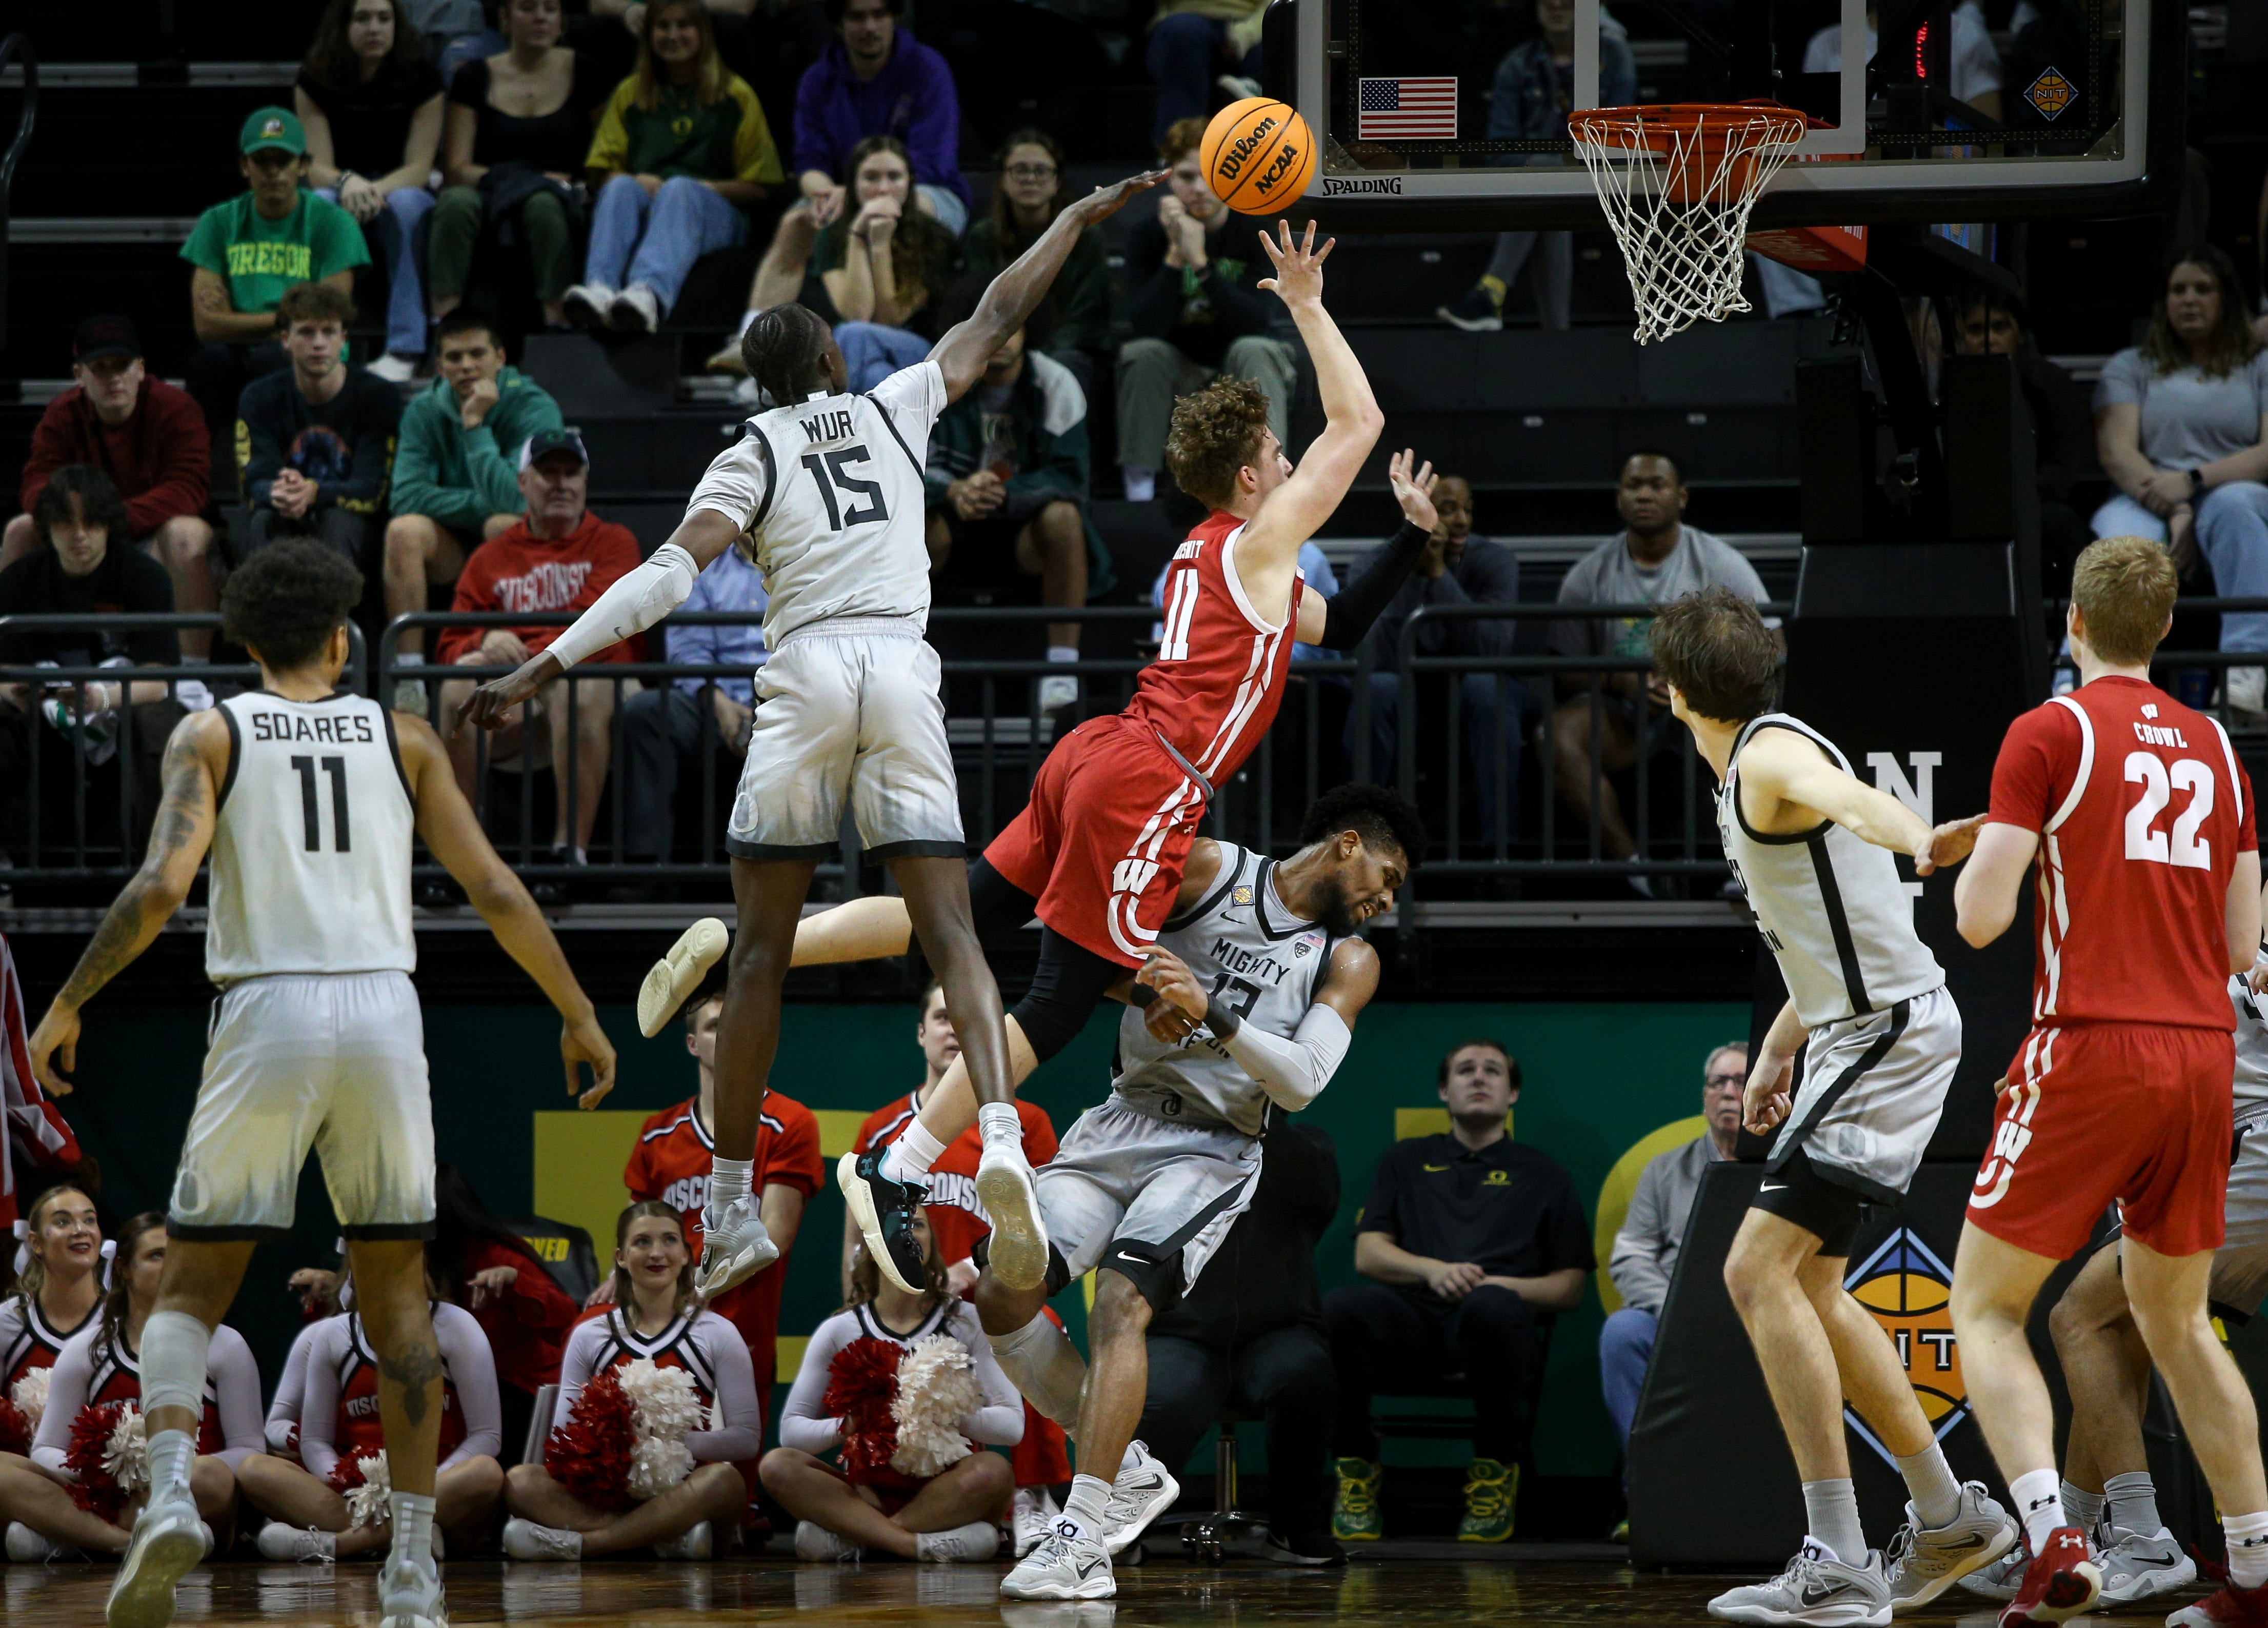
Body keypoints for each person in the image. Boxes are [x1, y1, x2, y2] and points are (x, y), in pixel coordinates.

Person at [456, 170, 1166, 1317]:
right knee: (956, 935)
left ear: (759, 376)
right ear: (834, 362)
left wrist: (542, 664)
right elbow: (997, 312)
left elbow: (665, 579)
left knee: (757, 955)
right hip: (899, 667)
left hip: (804, 676)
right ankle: (988, 1131)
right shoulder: (896, 405)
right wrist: (1075, 222)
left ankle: (731, 1202)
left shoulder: (748, 452)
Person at [808, 229, 1427, 1316]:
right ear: (1251, 478)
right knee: (1061, 995)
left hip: (1097, 751)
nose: (1294, 470)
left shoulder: (1217, 555)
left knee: (961, 912)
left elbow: (1344, 623)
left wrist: (1412, 542)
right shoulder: (1258, 542)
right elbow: (1362, 424)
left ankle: (762, 952)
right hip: (1153, 776)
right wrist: (1306, 303)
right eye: (1280, 461)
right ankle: (900, 1163)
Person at [21, 539, 614, 1628]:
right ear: (346, 638)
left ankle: (164, 1498)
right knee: (399, 1303)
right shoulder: (407, 738)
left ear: (243, 642)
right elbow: (490, 884)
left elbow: (159, 887)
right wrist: (576, 1009)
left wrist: (67, 1002)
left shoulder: (214, 733)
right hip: (384, 1013)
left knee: (191, 1286)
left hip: (268, 1007)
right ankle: (414, 1574)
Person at [1640, 586, 2014, 1623]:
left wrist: (1924, 839)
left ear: (1671, 692)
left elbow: (1856, 806)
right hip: (1861, 1025)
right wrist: (1775, 1050)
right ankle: (1950, 1518)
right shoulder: (1756, 755)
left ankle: (1839, 1557)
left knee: (1753, 1274)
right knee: (1812, 1288)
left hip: (1885, 1034)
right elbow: (1827, 925)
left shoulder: (1767, 758)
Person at [1937, 534, 2268, 1627]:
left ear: (2070, 623)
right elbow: (2239, 947)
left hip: (2093, 1044)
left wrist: (1994, 849)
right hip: (2204, 1057)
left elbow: (1982, 920)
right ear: (2166, 629)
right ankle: (2256, 1579)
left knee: (1982, 1305)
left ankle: (2052, 1536)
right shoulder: (2220, 748)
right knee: (2174, 1327)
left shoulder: (2049, 730)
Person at [979, 785, 1416, 1598]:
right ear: (1347, 843)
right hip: (1121, 1119)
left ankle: (1080, 1534)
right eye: (1386, 877)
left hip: (1214, 1147)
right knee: (999, 1291)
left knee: (1120, 1300)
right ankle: (1130, 1467)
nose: (1385, 903)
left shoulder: (1346, 959)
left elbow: (1301, 1081)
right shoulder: (1203, 869)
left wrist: (1208, 1009)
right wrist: (1148, 993)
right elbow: (1078, 952)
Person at [1959, 958, 2268, 1609]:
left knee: (2079, 1320)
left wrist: (2064, 1086)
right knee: (2114, 1325)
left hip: (2248, 1148)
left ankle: (2143, 1537)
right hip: (2219, 1140)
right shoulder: (2204, 934)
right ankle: (2065, 1537)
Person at [1325, 1040, 1589, 1546]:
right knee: (1340, 1307)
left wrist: (1496, 1285)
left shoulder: (1544, 1174)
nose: (1478, 1078)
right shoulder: (1405, 1159)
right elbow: (1369, 1254)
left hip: (1492, 1329)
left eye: (1493, 1071)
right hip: (1413, 1324)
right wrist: (1431, 1270)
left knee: (1490, 1306)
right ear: (1444, 1090)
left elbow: (1570, 1287)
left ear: (1512, 1094)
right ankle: (1356, 1472)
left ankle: (1493, 1473)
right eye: (1464, 1070)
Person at [848, 980, 1069, 1557]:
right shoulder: (882, 1126)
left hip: (984, 1294)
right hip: (908, 1306)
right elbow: (859, 1226)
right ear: (921, 1033)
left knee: (1039, 1327)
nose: (955, 1030)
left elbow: (1044, 1218)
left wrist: (971, 1269)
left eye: (969, 1020)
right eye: (942, 1018)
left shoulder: (1026, 1121)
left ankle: (1033, 1494)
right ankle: (878, 1503)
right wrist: (854, 1299)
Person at [1549, 451, 1774, 873]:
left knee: (1756, 730)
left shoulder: (1719, 561)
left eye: (1657, 485)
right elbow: (1564, 668)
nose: (1644, 495)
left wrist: (1698, 681)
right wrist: (1620, 681)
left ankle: (1746, 870)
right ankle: (1632, 866)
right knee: (1558, 735)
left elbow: (1773, 643)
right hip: (1623, 713)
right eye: (1634, 486)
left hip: (1707, 708)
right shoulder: (1588, 573)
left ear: (1681, 496)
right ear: (1619, 498)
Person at [1136, 1117, 1344, 1566]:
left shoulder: (1306, 1146)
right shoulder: (1160, 1138)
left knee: (1305, 1376)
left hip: (1277, 1328)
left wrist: (1266, 1128)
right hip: (1181, 1329)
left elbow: (1317, 1213)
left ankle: (1294, 1530)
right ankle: (1122, 1530)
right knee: (1163, 1396)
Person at [501, 1202, 761, 1559]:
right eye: (642, 1242)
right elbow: (561, 1433)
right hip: (607, 1492)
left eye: (670, 1240)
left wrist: (667, 1443)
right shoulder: (590, 1334)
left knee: (725, 1482)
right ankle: (661, 1539)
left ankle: (587, 1543)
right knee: (520, 1481)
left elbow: (746, 1439)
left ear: (687, 1255)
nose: (657, 1253)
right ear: (621, 1257)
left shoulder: (717, 1332)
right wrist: (615, 1444)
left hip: (686, 1490)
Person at [0, 1215, 262, 1566]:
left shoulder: (225, 1345)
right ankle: (127, 1543)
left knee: (210, 1477)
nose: (173, 1266)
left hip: (190, 1490)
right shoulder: (87, 1350)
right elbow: (46, 1448)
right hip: (105, 1492)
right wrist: (107, 1469)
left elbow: (248, 1450)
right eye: (157, 1255)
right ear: (124, 1267)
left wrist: (158, 1468)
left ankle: (72, 1539)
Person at [433, 429, 640, 866]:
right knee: (455, 689)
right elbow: (450, 642)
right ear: (523, 483)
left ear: (585, 483)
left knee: (578, 691)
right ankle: (461, 857)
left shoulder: (614, 542)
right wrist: (485, 641)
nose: (562, 484)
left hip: (595, 678)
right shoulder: (491, 556)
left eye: (571, 473)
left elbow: (598, 629)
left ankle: (570, 853)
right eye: (548, 473)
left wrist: (523, 661)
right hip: (518, 691)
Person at [761, 1212, 1019, 1562]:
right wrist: (854, 1423)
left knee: (994, 1470)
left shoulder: (965, 1320)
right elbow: (792, 1431)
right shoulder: (840, 1328)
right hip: (867, 1493)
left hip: (948, 1489)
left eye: (916, 1224)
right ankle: (916, 1546)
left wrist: (939, 1416)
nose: (906, 1234)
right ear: (870, 1242)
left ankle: (861, 1539)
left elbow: (1011, 1424)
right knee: (778, 1466)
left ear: (932, 1242)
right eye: (894, 1225)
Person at [620, 988, 825, 1400]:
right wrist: (617, 1277)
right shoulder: (658, 1132)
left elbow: (773, 1237)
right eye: (715, 1026)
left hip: (738, 1328)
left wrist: (699, 1287)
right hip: (657, 1329)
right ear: (693, 1044)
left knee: (731, 1462)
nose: (730, 1034)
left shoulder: (789, 1122)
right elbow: (634, 1232)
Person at [2091, 246, 2268, 720]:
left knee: (2237, 509)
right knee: (2121, 538)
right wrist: (2174, 506)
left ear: (2226, 299)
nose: (2189, 299)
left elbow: (2267, 451)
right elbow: (2116, 451)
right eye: (2178, 290)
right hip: (2146, 492)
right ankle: (2102, 679)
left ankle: (2245, 673)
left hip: (2227, 487)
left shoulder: (2257, 365)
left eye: (2203, 289)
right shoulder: (2131, 364)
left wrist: (2193, 482)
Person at [0, 467, 190, 868]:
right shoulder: (19, 579)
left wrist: (102, 696)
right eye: (66, 523)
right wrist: (20, 691)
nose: (79, 535)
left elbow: (159, 676)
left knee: (158, 724)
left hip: (123, 698)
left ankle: (154, 867)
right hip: (42, 703)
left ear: (109, 525)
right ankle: (22, 861)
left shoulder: (146, 577)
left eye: (91, 522)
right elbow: (5, 670)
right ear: (48, 528)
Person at [563, 0, 782, 336]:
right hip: (649, 204)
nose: (673, 35)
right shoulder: (630, 93)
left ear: (702, 33)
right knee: (620, 188)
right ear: (649, 35)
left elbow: (762, 184)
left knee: (680, 189)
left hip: (716, 214)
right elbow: (600, 171)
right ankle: (600, 290)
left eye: (684, 26)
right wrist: (635, 179)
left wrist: (701, 189)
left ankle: (647, 295)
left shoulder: (736, 95)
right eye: (663, 27)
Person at [237, 1297, 505, 1561]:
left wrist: (429, 1484)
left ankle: (339, 1545)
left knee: (485, 1473)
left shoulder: (456, 1325)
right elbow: (315, 1440)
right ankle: (408, 1536)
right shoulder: (334, 1334)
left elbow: (487, 1435)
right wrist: (347, 1483)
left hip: (438, 1491)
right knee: (254, 1470)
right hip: (357, 1496)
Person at [180, 107, 370, 478]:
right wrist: (286, 320)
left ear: (303, 166)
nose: (273, 171)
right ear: (244, 166)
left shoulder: (334, 224)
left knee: (275, 361)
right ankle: (195, 489)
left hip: (307, 355)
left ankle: (287, 485)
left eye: (283, 160)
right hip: (241, 353)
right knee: (209, 365)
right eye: (262, 161)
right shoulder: (218, 222)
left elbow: (325, 322)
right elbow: (207, 327)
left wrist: (246, 321)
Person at [1116, 118, 1298, 504]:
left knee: (1255, 348)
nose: (1198, 189)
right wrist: (1175, 255)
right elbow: (1143, 324)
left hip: (1240, 371)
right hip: (1179, 372)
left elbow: (1257, 320)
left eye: (1210, 175)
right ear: (1168, 178)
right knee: (1142, 354)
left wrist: (1200, 264)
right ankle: (1139, 495)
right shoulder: (1147, 235)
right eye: (1185, 176)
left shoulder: (1254, 231)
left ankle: (1274, 497)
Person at [384, 308, 567, 691]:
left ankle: (521, 664)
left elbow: (522, 504)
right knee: (403, 532)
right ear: (439, 367)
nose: (466, 366)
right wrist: (480, 507)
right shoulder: (423, 411)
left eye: (477, 354)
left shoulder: (535, 407)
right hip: (448, 545)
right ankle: (410, 679)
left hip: (511, 541)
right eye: (454, 357)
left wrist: (475, 426)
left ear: (500, 358)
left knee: (503, 524)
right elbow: (405, 496)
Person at [924, 323, 1099, 710]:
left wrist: (1004, 494)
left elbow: (1071, 477)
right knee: (910, 524)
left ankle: (1061, 670)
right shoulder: (940, 379)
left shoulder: (1054, 382)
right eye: (991, 326)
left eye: (1013, 327)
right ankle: (899, 659)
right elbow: (906, 463)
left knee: (1064, 518)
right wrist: (953, 490)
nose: (1000, 339)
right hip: (952, 528)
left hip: (1024, 532)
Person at [5, 317, 212, 632]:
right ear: (80, 375)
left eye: (122, 365)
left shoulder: (177, 408)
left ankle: (191, 672)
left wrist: (106, 519)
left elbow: (188, 488)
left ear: (141, 369)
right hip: (85, 528)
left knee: (185, 535)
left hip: (153, 530)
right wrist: (76, 519)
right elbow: (36, 484)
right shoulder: (62, 414)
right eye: (100, 367)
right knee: (20, 530)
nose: (113, 377)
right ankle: (13, 658)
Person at [1439, 0, 1634, 333]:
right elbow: (1500, 147)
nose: (1556, 6)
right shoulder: (1518, 64)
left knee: (1547, 175)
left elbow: (1624, 137)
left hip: (1600, 177)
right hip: (1534, 183)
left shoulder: (1612, 56)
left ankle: (1491, 290)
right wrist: (1540, 169)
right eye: (1547, 0)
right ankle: (1556, 333)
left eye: (1568, 1)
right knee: (1546, 181)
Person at [1356, 474, 1528, 847]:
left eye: (1467, 509)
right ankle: (1357, 842)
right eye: (1449, 509)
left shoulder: (1495, 561)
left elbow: (1490, 651)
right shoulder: (1374, 562)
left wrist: (1437, 573)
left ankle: (1503, 854)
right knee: (1378, 688)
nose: (1463, 520)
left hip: (1474, 699)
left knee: (1484, 687)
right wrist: (1411, 570)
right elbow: (1373, 654)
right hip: (1409, 700)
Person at [1599, 1041, 1744, 1462]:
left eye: (1741, 1081)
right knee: (1622, 1332)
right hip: (1674, 1315)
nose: (1728, 1092)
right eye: (1718, 1082)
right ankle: (1646, 1490)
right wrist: (1675, 1310)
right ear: (1705, 1097)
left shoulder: (1789, 1168)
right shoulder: (1664, 1170)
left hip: (1764, 1317)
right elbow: (1631, 1255)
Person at [431, 0, 609, 333]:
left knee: (543, 204)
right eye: (528, 8)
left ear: (562, 21)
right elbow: (457, 168)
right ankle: (444, 325)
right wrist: (530, 180)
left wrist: (569, 185)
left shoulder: (586, 71)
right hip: (489, 187)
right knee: (455, 202)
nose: (540, 17)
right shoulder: (473, 76)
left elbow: (604, 155)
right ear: (505, 18)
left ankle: (557, 322)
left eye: (551, 9)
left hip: (563, 192)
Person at [296, 0, 447, 380]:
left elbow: (418, 168)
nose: (374, 28)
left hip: (398, 186)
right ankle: (325, 342)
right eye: (362, 18)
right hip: (339, 186)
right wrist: (348, 183)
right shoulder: (315, 78)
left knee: (409, 205)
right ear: (343, 27)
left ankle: (404, 347)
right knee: (319, 204)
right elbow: (315, 167)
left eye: (385, 18)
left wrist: (370, 190)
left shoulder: (422, 77)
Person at [619, 548, 768, 876]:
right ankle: (646, 869)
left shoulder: (804, 557)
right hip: (713, 702)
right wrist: (718, 703)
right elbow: (689, 650)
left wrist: (770, 702)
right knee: (646, 712)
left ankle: (813, 875)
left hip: (785, 698)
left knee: (833, 709)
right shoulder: (703, 565)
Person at [235, 281, 403, 562]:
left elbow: (374, 489)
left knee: (337, 522)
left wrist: (314, 492)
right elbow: (254, 481)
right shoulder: (259, 397)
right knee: (264, 520)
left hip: (354, 523)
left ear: (344, 339)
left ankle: (333, 607)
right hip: (285, 512)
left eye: (329, 332)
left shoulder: (377, 396)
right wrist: (280, 492)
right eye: (306, 332)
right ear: (285, 340)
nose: (318, 343)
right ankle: (263, 605)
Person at [426, 1163, 577, 1463]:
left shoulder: (497, 1254)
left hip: (516, 1385)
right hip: (445, 1383)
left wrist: (516, 1282)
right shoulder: (411, 1259)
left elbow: (568, 1322)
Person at [1952, 286, 2095, 597]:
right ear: (1960, 337)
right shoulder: (1944, 387)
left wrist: (2013, 495)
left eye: (1999, 327)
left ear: (2019, 334)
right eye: (1976, 330)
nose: (1989, 339)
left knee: (2061, 525)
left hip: (2034, 504)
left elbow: (2063, 468)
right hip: (1961, 508)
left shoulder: (2050, 384)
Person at [792, 0, 967, 233]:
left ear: (894, 17)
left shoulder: (928, 69)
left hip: (923, 189)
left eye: (880, 15)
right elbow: (811, 160)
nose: (870, 27)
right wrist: (825, 195)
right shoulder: (817, 80)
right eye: (857, 18)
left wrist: (866, 196)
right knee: (795, 223)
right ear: (839, 24)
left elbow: (933, 161)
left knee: (895, 216)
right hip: (842, 192)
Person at [809, 135, 966, 393]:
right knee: (876, 376)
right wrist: (858, 240)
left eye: (894, 177)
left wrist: (880, 246)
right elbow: (857, 313)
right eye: (871, 178)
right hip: (865, 354)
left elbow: (890, 319)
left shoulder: (935, 237)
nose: (883, 189)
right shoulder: (832, 236)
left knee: (852, 335)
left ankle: (837, 423)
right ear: (853, 184)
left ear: (910, 182)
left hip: (925, 353)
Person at [956, 130, 1113, 386]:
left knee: (1064, 366)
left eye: (1041, 171)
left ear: (1057, 181)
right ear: (1003, 180)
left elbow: (1087, 318)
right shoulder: (982, 237)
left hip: (1068, 349)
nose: (1031, 178)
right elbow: (980, 308)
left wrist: (1036, 355)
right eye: (1020, 170)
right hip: (1002, 345)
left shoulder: (1086, 237)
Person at [0, 1184, 103, 1398]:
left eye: (89, 1220)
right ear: (36, 1243)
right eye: (63, 1222)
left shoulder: (122, 1321)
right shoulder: (7, 1322)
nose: (81, 1230)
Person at [1146, 0, 1263, 142]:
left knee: (1281, 29)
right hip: (1184, 17)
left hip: (1252, 21)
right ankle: (1180, 149)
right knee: (1182, 33)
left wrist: (1244, 36)